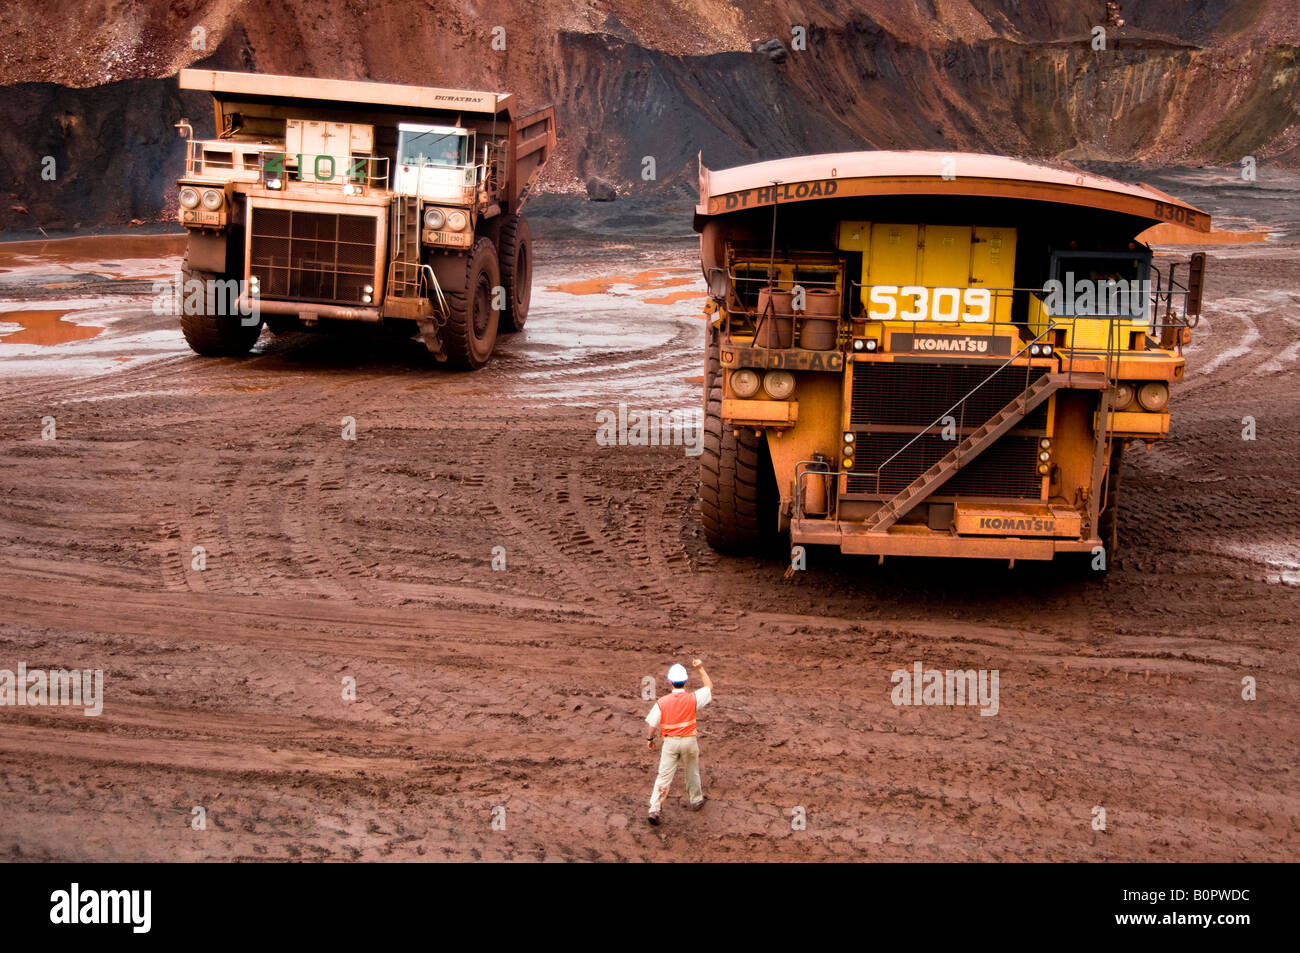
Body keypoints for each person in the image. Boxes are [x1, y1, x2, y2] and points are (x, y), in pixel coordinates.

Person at [644, 658, 713, 825]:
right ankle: (696, 800)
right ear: (686, 681)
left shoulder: (662, 702)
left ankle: (655, 809)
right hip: (689, 742)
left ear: (669, 682)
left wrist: (650, 739)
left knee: (664, 776)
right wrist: (701, 668)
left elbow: (652, 724)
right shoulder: (692, 699)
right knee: (692, 771)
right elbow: (709, 687)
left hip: (670, 743)